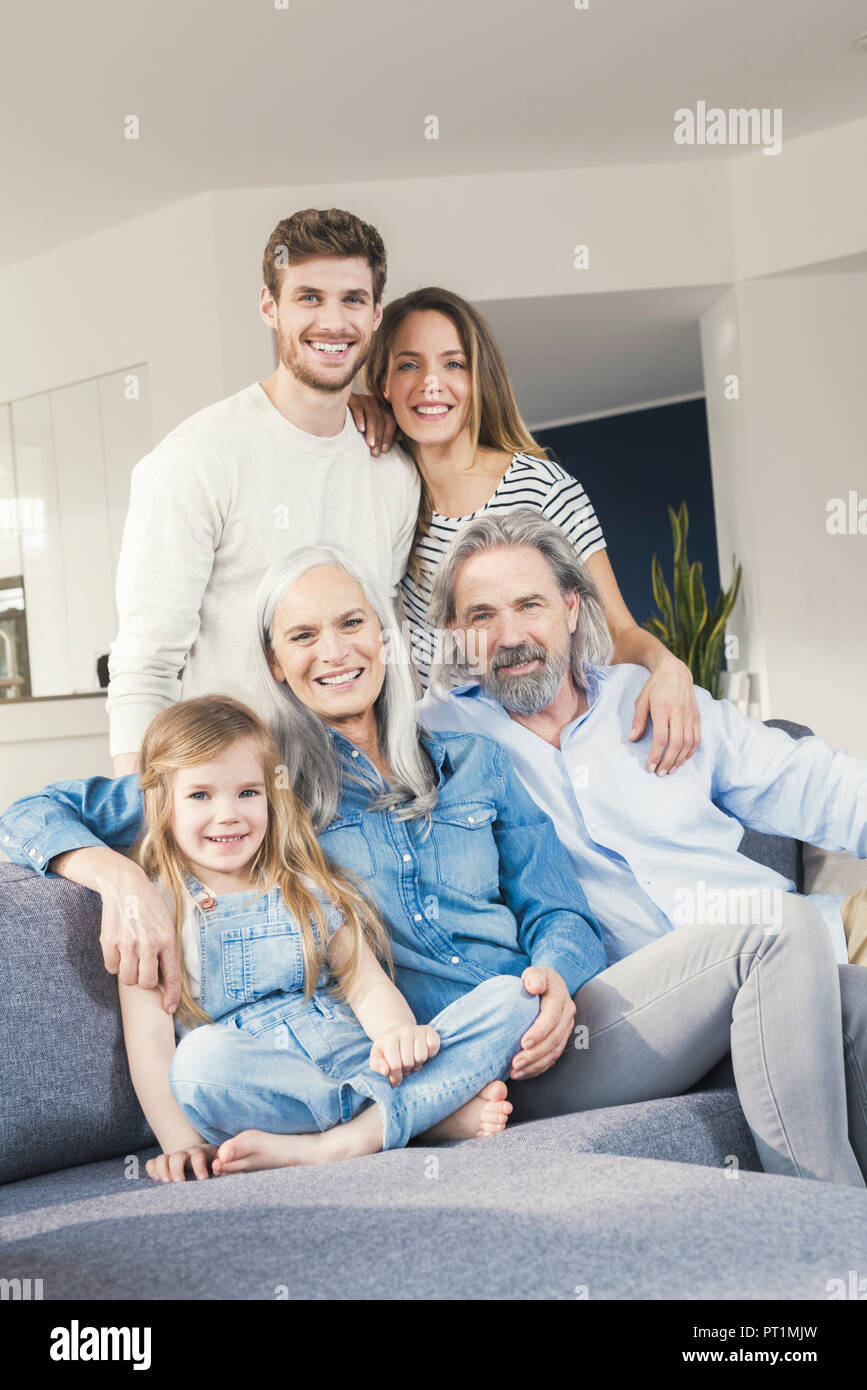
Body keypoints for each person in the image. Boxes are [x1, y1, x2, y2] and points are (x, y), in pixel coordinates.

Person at [2, 544, 865, 1185]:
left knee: (843, 995)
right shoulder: (260, 783)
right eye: (302, 635)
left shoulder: (472, 759)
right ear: (275, 662)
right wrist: (117, 877)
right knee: (777, 927)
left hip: (543, 1027)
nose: (334, 650)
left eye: (352, 624)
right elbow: (31, 814)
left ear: (384, 637)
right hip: (445, 1061)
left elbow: (555, 908)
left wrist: (557, 979)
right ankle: (831, 1230)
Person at [417, 508, 867, 1159]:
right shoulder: (439, 739)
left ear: (572, 608)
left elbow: (819, 786)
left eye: (530, 605)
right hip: (643, 999)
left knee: (842, 985)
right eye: (481, 616)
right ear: (457, 634)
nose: (509, 636)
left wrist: (664, 665)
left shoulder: (652, 698)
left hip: (810, 935)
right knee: (816, 966)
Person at [107, 693, 546, 1179]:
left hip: (358, 1059)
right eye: (200, 796)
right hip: (272, 1089)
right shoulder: (154, 912)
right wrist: (181, 1143)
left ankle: (344, 1140)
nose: (228, 814)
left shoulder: (305, 884)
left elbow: (364, 982)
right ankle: (414, 1114)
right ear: (160, 801)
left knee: (515, 998)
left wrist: (397, 1036)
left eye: (248, 792)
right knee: (198, 1062)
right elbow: (149, 1041)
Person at [107, 207, 414, 777]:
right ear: (270, 306)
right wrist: (144, 811)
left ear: (375, 315)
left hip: (362, 793)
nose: (333, 321)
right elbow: (145, 667)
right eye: (309, 297)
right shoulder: (196, 458)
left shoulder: (393, 470)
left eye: (352, 299)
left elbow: (385, 647)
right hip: (240, 798)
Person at [364, 285, 701, 776]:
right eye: (408, 365)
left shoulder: (542, 487)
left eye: (453, 364)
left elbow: (617, 631)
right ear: (384, 383)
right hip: (451, 757)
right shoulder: (387, 496)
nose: (430, 384)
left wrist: (669, 666)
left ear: (479, 380)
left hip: (553, 744)